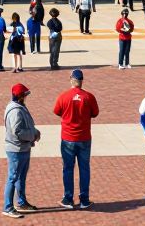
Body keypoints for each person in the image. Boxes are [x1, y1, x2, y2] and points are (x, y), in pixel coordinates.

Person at [53, 69, 99, 210]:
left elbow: (57, 111)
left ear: (71, 80)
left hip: (68, 138)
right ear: (81, 81)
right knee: (84, 168)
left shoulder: (63, 96)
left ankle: (68, 198)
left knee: (68, 168)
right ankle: (84, 199)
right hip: (84, 137)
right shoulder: (88, 97)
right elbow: (95, 113)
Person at [2, 83, 40, 218]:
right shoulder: (16, 110)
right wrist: (33, 135)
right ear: (21, 96)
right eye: (25, 95)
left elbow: (25, 126)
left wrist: (34, 131)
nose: (26, 97)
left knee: (21, 177)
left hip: (23, 148)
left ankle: (22, 202)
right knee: (13, 177)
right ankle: (7, 207)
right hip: (16, 150)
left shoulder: (19, 107)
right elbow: (17, 131)